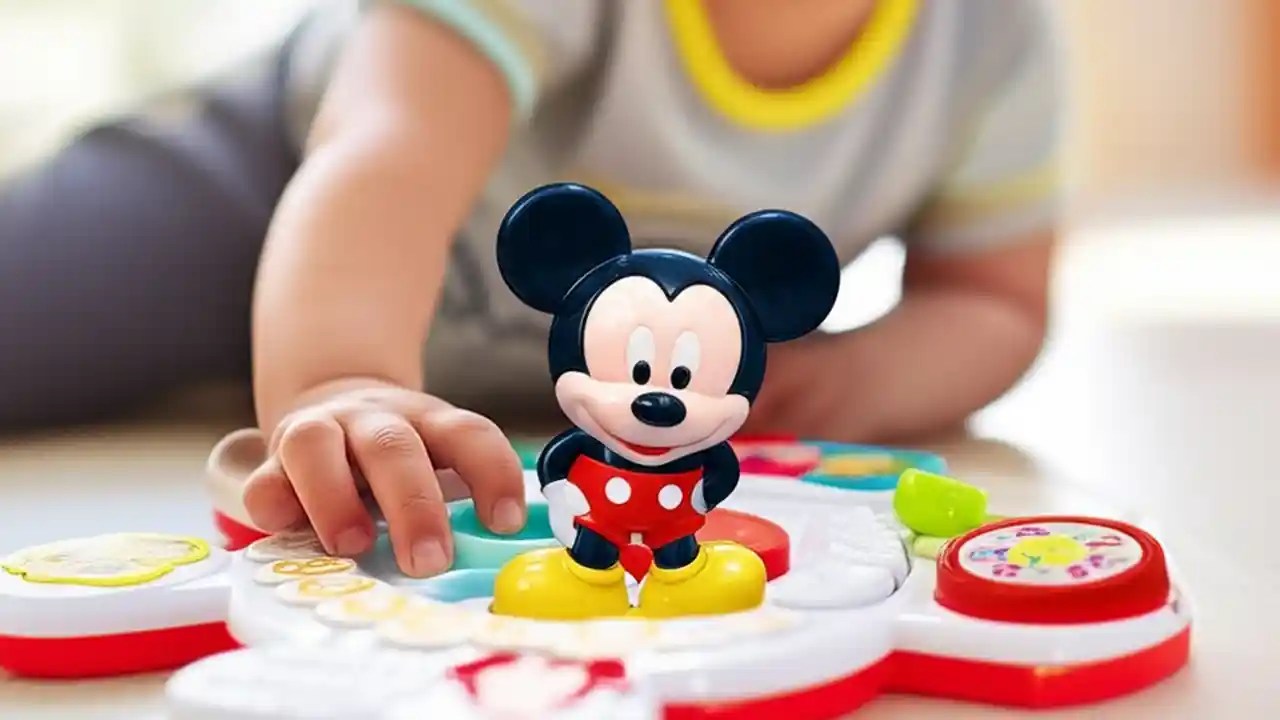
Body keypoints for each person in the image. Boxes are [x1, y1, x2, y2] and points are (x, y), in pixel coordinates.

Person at [0, 0, 1063, 577]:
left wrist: (851, 381)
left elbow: (993, 298)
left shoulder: (994, 35)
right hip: (266, 198)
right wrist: (338, 379)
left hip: (589, 372)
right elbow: (388, 150)